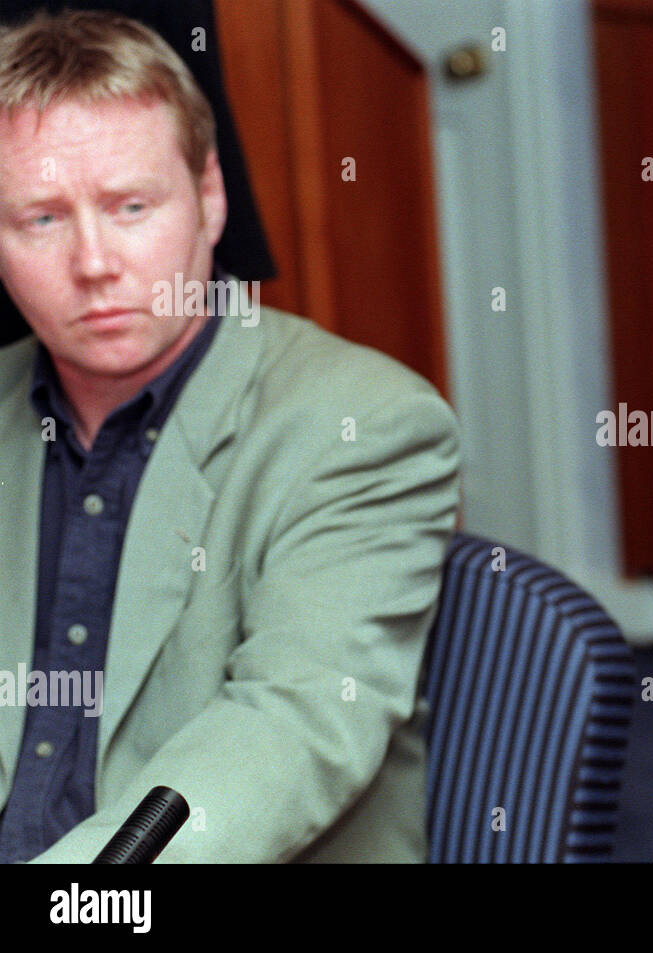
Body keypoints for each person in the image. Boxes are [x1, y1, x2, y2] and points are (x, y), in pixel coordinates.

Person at [0, 10, 458, 862]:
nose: (94, 261)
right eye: (41, 220)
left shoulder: (364, 423)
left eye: (131, 205)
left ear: (210, 197)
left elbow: (287, 724)